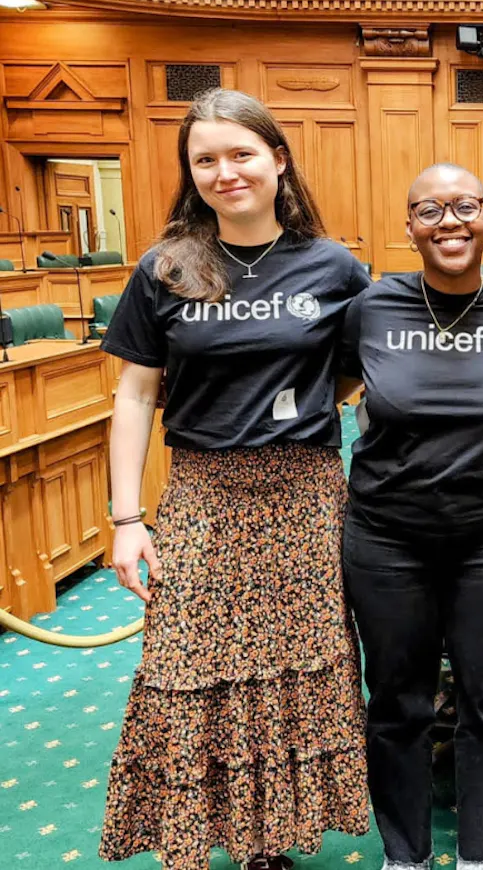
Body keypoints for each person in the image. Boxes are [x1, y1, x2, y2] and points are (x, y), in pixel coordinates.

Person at [99, 88, 372, 870]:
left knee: (292, 669)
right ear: (191, 172)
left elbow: (356, 367)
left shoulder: (333, 265)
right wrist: (125, 520)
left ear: (278, 159)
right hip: (204, 499)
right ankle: (193, 835)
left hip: (305, 496)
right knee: (188, 665)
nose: (227, 172)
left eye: (242, 154)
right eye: (206, 159)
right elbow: (134, 394)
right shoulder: (167, 268)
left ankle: (266, 844)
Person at [339, 163, 483, 870]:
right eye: (429, 209)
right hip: (386, 534)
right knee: (397, 701)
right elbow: (335, 387)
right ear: (409, 228)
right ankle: (404, 855)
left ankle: (479, 854)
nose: (450, 221)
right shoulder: (373, 307)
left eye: (465, 206)